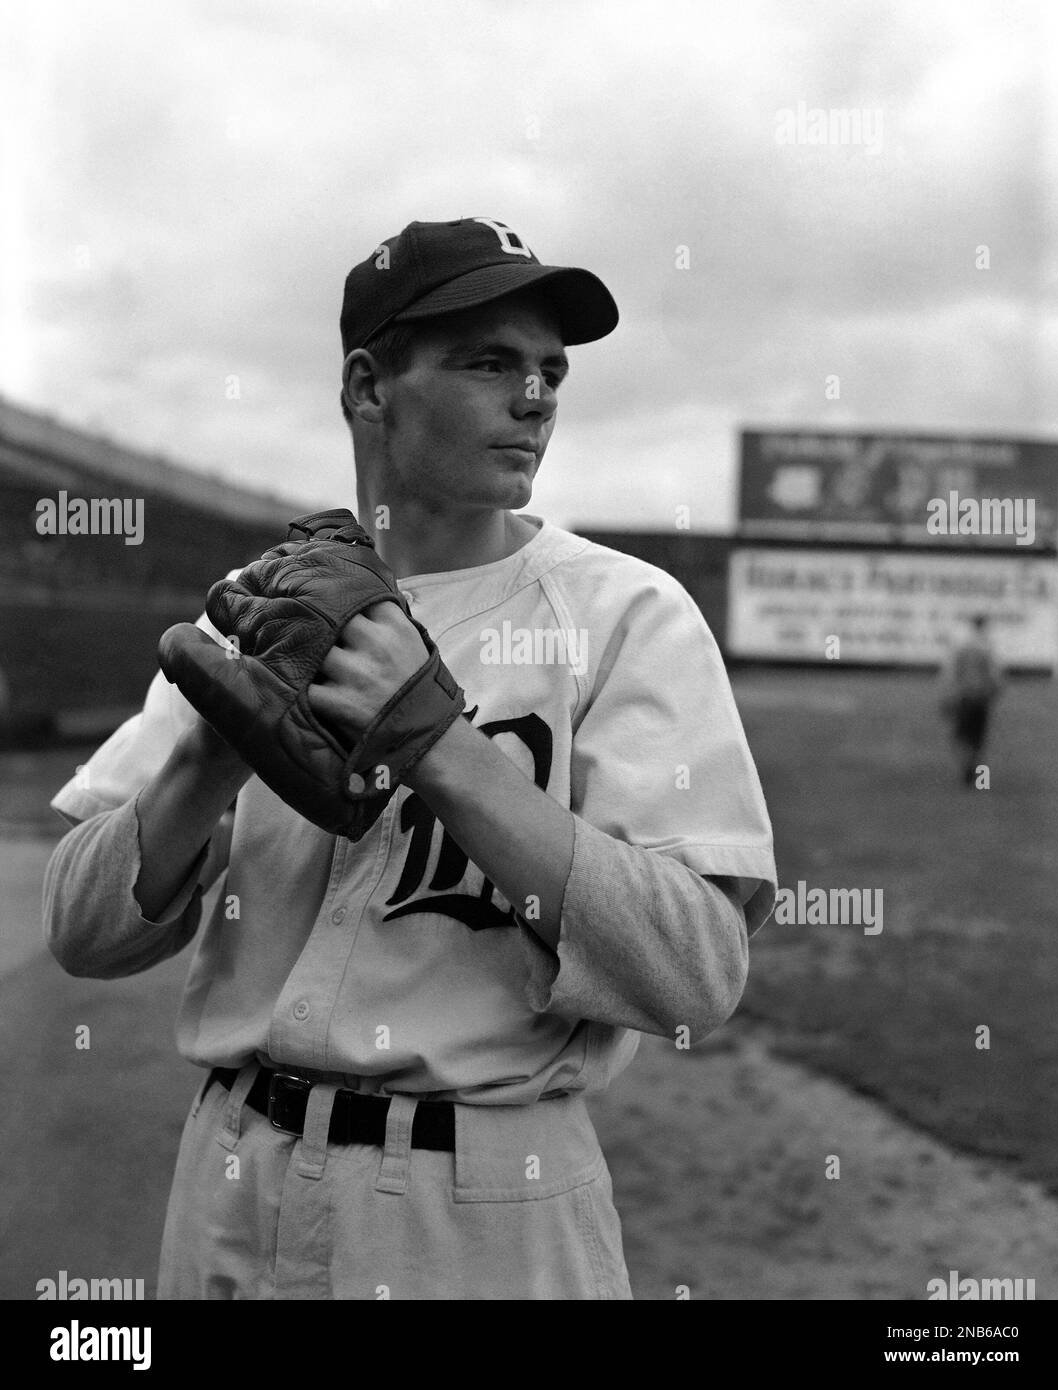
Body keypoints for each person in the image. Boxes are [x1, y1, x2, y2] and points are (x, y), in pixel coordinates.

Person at [42, 217, 777, 1301]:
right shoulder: (263, 608)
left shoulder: (623, 612)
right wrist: (214, 747)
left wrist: (440, 745)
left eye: (549, 370)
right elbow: (82, 930)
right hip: (231, 1180)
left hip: (481, 1200)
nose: (535, 396)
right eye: (490, 362)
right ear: (368, 386)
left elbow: (694, 976)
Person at [939, 613, 1003, 786]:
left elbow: (950, 671)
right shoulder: (987, 646)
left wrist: (947, 694)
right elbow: (995, 673)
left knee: (960, 736)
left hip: (963, 696)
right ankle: (982, 780)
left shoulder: (961, 645)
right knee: (979, 738)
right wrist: (996, 691)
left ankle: (966, 768)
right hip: (981, 696)